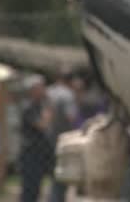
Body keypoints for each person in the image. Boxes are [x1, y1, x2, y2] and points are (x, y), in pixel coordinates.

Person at [18, 75, 54, 202]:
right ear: (33, 90)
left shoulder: (40, 105)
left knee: (36, 189)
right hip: (30, 153)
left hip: (40, 153)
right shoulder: (28, 107)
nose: (43, 90)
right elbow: (42, 125)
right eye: (40, 87)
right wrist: (48, 114)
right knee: (29, 189)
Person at [46, 71, 78, 202]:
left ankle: (53, 197)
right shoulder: (67, 94)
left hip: (46, 137)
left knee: (52, 172)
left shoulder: (48, 92)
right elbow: (71, 116)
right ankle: (56, 199)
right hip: (63, 138)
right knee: (62, 173)